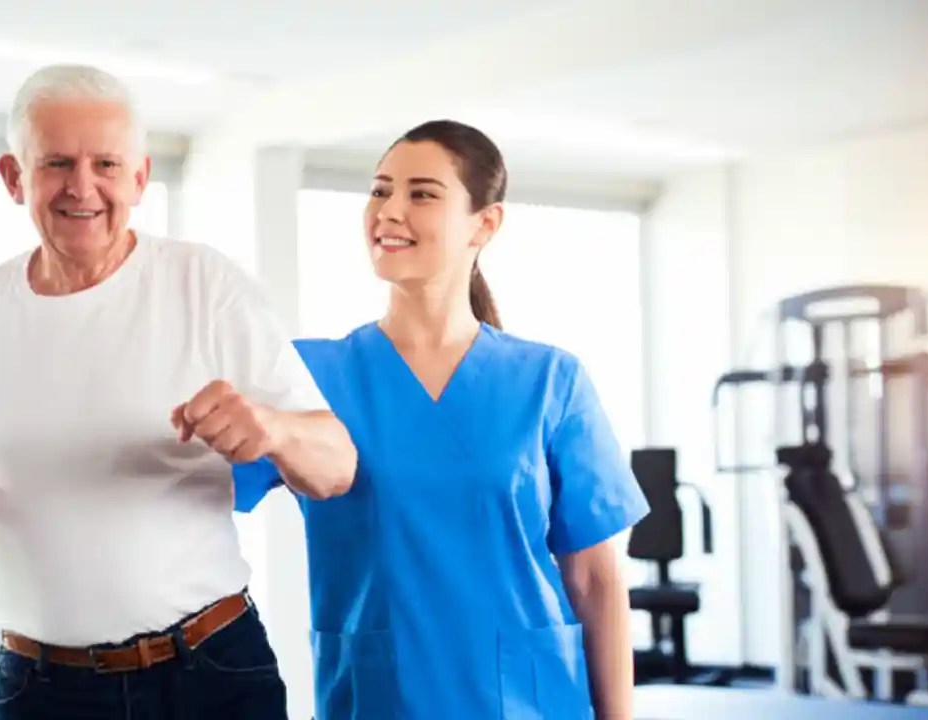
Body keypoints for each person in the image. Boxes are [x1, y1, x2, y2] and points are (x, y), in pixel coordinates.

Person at [0, 63, 356, 720]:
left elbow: (337, 467)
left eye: (107, 165)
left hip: (208, 673)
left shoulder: (206, 284)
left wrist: (274, 429)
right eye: (57, 163)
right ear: (15, 178)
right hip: (41, 689)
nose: (82, 187)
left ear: (141, 177)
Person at [239, 120, 650, 719]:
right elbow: (188, 497)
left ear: (485, 224)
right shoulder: (308, 375)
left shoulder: (549, 381)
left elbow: (593, 579)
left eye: (422, 193)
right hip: (380, 697)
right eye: (380, 191)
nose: (390, 210)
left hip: (531, 701)